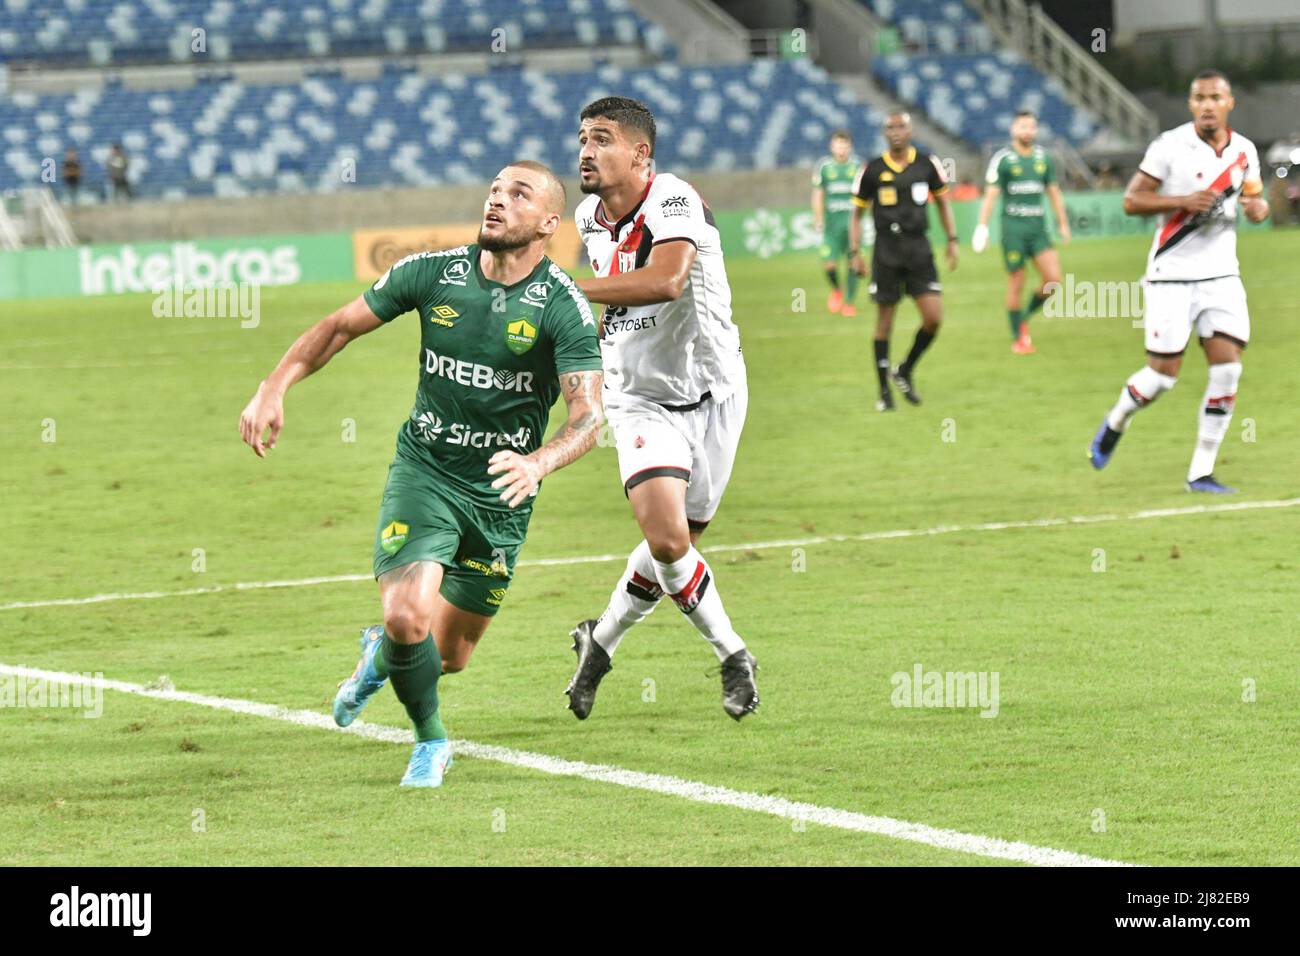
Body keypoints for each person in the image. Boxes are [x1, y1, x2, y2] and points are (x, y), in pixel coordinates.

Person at [238, 162, 604, 787]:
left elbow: (589, 417)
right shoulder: (434, 272)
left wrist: (539, 462)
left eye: (519, 194)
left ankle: (377, 661)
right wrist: (275, 385)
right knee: (409, 617)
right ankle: (431, 742)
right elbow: (338, 328)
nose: (497, 200)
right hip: (425, 471)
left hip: (500, 495)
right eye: (494, 189)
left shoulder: (563, 305)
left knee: (448, 655)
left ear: (549, 223)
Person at [564, 96, 759, 721]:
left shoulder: (674, 197)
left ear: (640, 153)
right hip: (639, 398)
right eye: (582, 138)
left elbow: (666, 278)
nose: (586, 151)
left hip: (716, 389)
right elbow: (616, 301)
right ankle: (733, 654)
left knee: (678, 546)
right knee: (670, 540)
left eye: (601, 139)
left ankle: (599, 643)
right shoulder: (587, 215)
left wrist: (558, 288)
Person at [1088, 70, 1268, 493]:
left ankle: (1201, 471)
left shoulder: (1243, 151)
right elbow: (1131, 200)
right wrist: (1181, 201)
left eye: (1215, 97)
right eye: (1199, 98)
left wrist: (1257, 207)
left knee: (1227, 371)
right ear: (1191, 105)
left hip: (1222, 276)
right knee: (1163, 376)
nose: (1207, 105)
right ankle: (1116, 421)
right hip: (1171, 275)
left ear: (1229, 103)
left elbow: (1252, 196)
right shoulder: (1169, 146)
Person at [849, 110, 958, 411]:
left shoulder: (927, 163)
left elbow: (944, 203)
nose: (896, 131)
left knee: (934, 317)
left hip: (919, 248)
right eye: (890, 127)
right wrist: (854, 252)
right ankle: (884, 392)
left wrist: (952, 240)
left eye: (901, 126)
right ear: (885, 133)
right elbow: (856, 214)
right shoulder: (871, 169)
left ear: (911, 131)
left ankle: (905, 368)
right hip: (886, 250)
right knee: (885, 321)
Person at [972, 110, 1071, 353]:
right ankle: (1019, 337)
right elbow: (991, 195)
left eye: (1031, 127)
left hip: (1038, 229)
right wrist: (982, 227)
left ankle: (1023, 318)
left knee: (1053, 281)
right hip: (1013, 230)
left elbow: (1053, 192)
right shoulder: (1003, 160)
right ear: (1013, 130)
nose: (1027, 131)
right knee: (1017, 282)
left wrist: (1062, 222)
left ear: (1036, 131)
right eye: (1022, 126)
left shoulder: (1044, 158)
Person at [812, 130, 863, 316]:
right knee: (830, 264)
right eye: (837, 144)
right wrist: (817, 218)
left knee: (853, 263)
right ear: (832, 146)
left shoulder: (858, 166)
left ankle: (849, 303)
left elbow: (866, 195)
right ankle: (837, 290)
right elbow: (818, 194)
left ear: (849, 146)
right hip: (831, 228)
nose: (841, 148)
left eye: (844, 144)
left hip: (852, 227)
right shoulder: (824, 167)